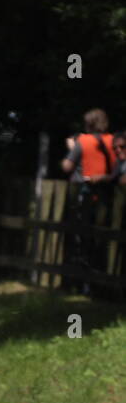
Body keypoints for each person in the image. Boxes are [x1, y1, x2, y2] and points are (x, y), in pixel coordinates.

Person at [61, 108, 119, 278]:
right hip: (110, 196)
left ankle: (83, 278)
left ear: (88, 124)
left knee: (82, 238)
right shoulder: (114, 140)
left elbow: (67, 166)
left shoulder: (83, 141)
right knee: (104, 239)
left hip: (85, 195)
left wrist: (71, 148)